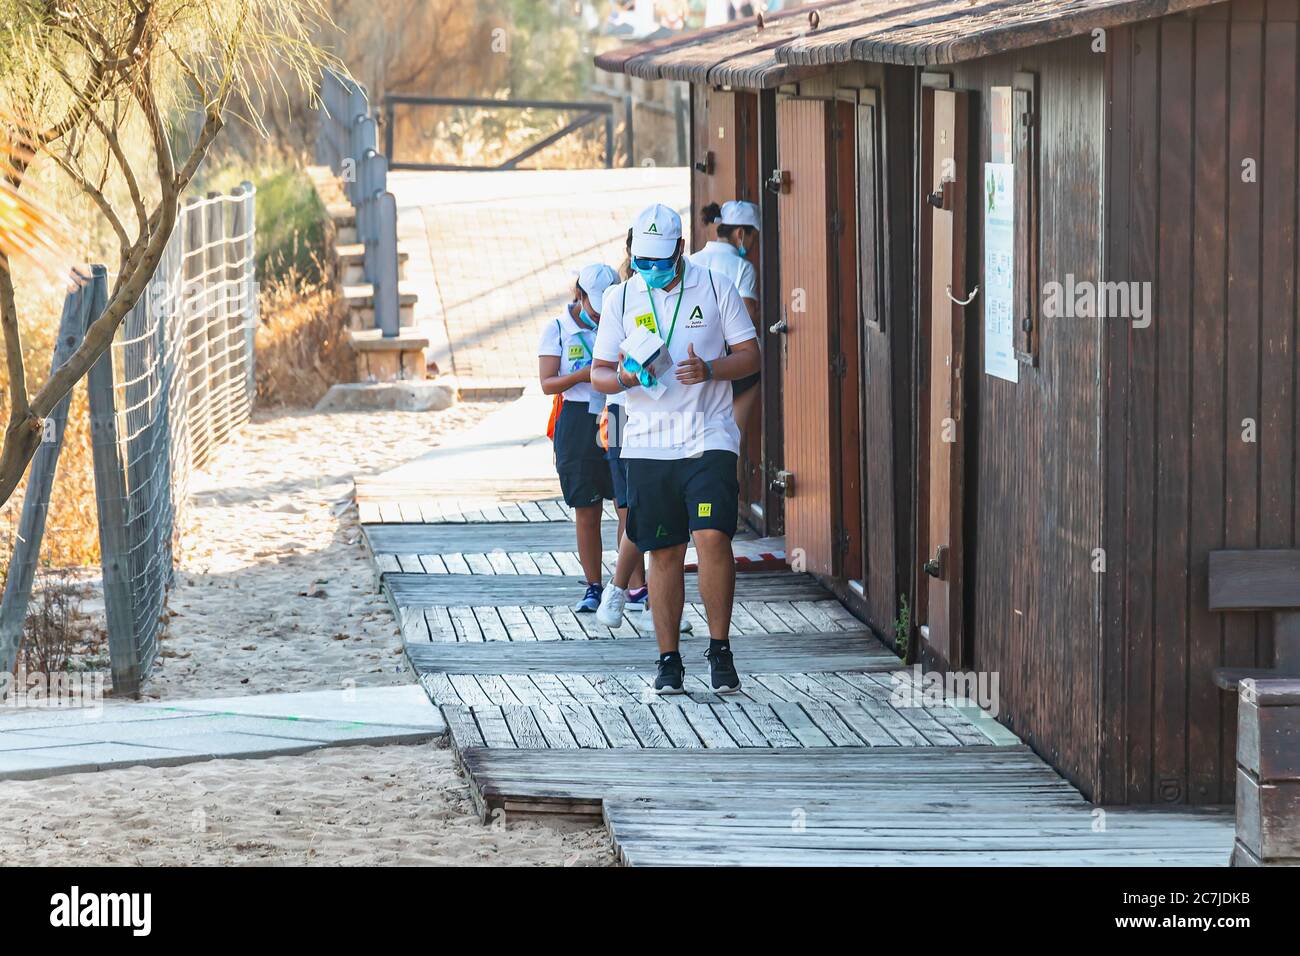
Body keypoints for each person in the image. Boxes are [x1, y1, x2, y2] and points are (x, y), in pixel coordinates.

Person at [591, 203, 761, 694]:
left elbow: (750, 355)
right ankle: (668, 660)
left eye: (659, 261)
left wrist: (710, 369)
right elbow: (601, 371)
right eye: (641, 261)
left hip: (708, 433)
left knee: (712, 537)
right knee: (662, 550)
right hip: (647, 441)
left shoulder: (714, 285)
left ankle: (720, 648)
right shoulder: (621, 297)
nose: (649, 271)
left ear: (681, 249)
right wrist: (622, 377)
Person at [538, 263, 619, 612]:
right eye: (595, 307)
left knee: (627, 501)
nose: (600, 317)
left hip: (616, 413)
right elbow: (547, 383)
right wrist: (583, 375)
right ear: (579, 295)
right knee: (586, 508)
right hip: (576, 417)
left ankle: (631, 585)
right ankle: (594, 586)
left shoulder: (621, 317)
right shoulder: (557, 328)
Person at [689, 200, 762, 431]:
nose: (752, 245)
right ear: (741, 233)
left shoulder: (691, 261)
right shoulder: (742, 267)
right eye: (752, 238)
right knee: (732, 435)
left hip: (693, 357)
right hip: (733, 361)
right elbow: (747, 313)